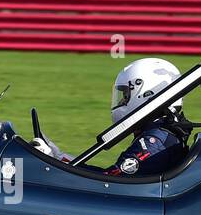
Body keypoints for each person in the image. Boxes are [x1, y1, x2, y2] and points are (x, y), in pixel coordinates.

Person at [31, 57, 189, 177]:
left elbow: (107, 183)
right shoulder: (161, 134)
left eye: (126, 95)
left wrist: (53, 163)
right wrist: (59, 157)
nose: (121, 101)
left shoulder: (153, 142)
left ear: (147, 94)